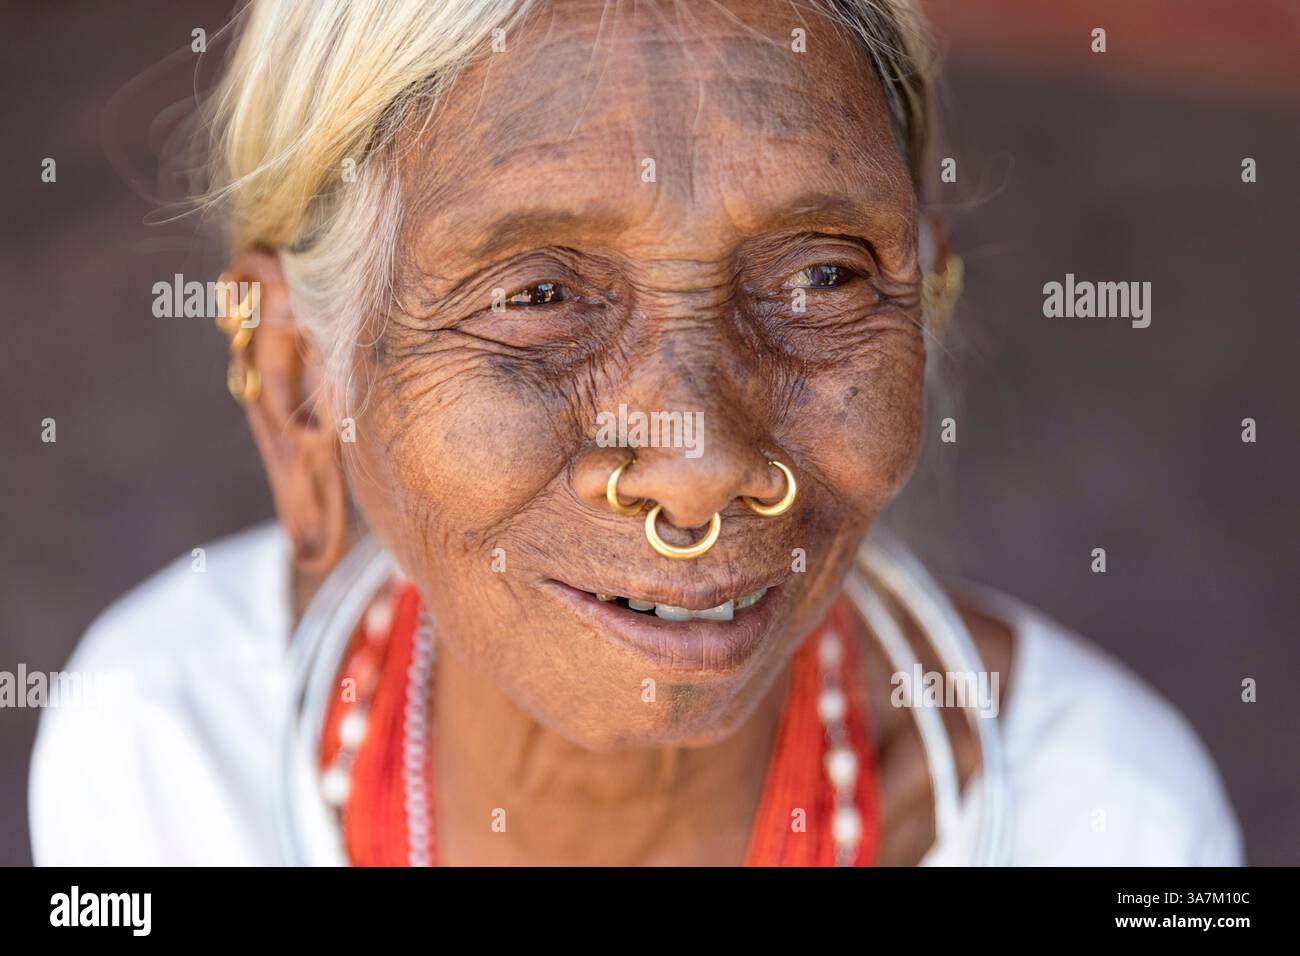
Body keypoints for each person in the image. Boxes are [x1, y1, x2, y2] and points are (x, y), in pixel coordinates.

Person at [30, 0, 1240, 866]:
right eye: (539, 295)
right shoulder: (163, 757)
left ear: (920, 305)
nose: (700, 462)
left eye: (819, 276)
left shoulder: (1107, 827)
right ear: (299, 386)